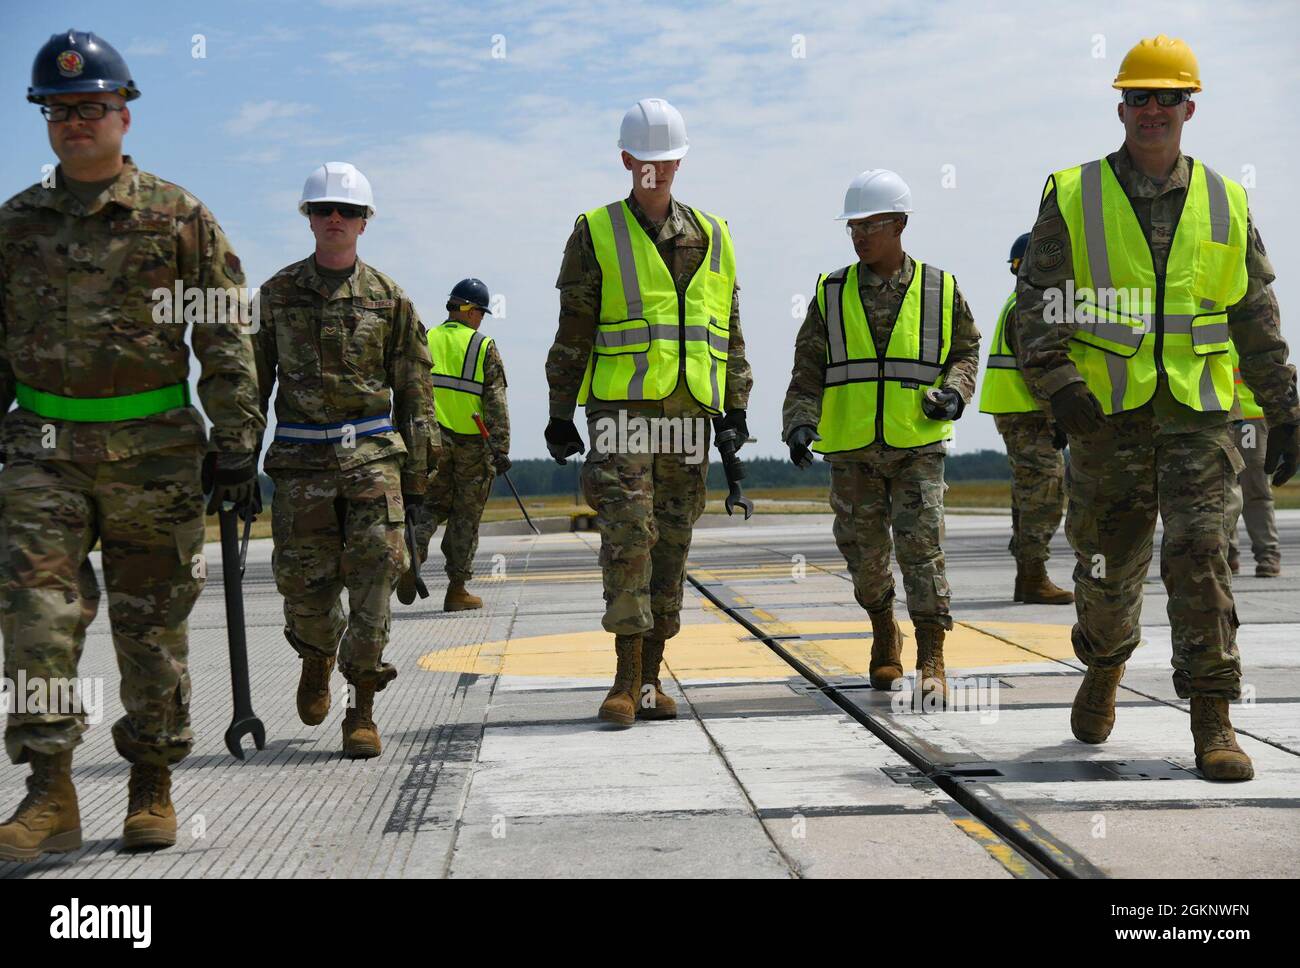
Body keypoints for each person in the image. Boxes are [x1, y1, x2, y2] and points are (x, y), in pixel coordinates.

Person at [0, 30, 263, 860]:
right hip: (43, 449)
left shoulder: (177, 215)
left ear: (123, 113)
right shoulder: (15, 224)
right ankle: (49, 791)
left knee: (152, 632)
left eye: (91, 108)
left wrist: (236, 443)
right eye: (59, 110)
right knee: (37, 620)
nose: (75, 122)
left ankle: (151, 781)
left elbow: (226, 335)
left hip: (154, 453)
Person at [1013, 35, 1300, 780]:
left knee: (1202, 559)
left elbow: (1255, 316)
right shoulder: (1072, 193)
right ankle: (1105, 661)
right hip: (1107, 424)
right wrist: (1059, 382)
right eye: (1138, 96)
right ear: (1121, 105)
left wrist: (1286, 407)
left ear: (1188, 107)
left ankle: (1213, 718)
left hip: (1200, 421)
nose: (1151, 110)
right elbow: (1036, 304)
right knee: (1108, 578)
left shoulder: (1227, 199)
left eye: (1165, 97)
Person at [544, 98, 752, 726]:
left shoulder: (715, 235)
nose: (655, 171)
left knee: (672, 548)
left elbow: (730, 330)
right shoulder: (596, 231)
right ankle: (623, 677)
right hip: (622, 416)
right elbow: (573, 330)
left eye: (666, 161)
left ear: (679, 161)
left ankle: (652, 677)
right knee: (629, 541)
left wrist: (735, 405)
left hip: (689, 420)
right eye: (644, 162)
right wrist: (560, 411)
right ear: (626, 161)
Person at [253, 162, 437, 758]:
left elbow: (415, 391)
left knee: (376, 580)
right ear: (308, 217)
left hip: (371, 462)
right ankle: (316, 655)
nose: (336, 219)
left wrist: (421, 478)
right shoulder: (275, 296)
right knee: (304, 591)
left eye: (348, 211)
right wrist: (232, 457)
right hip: (301, 465)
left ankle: (362, 705)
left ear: (364, 222)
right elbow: (248, 384)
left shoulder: (390, 300)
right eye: (324, 209)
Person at [782, 169, 981, 710]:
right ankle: (882, 630)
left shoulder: (941, 288)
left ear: (900, 224)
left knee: (923, 553)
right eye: (853, 226)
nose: (859, 235)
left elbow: (967, 351)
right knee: (865, 558)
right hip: (851, 452)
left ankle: (933, 658)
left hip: (917, 445)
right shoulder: (831, 292)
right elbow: (808, 371)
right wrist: (799, 423)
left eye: (870, 225)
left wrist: (956, 391)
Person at [403, 278, 510, 611]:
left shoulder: (426, 338)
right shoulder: (482, 345)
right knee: (465, 516)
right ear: (471, 310)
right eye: (481, 313)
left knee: (428, 508)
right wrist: (501, 448)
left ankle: (410, 559)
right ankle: (457, 589)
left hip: (429, 442)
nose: (482, 320)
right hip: (472, 445)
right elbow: (495, 401)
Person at [978, 232, 1073, 604]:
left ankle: (1028, 576)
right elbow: (1037, 369)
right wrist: (1058, 415)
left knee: (1029, 491)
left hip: (1018, 410)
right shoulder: (1030, 306)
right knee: (1046, 492)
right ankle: (1033, 575)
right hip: (1028, 413)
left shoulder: (1020, 302)